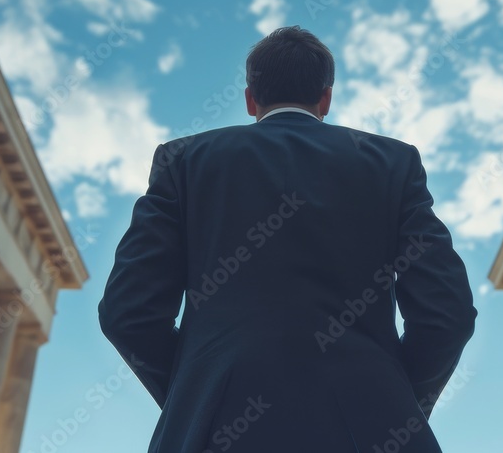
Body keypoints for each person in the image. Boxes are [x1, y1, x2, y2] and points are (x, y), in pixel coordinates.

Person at [98, 25, 477, 452]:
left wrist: (200, 392)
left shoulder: (182, 162)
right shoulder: (394, 163)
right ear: (326, 98)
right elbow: (448, 316)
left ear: (250, 99)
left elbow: (127, 315)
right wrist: (394, 400)